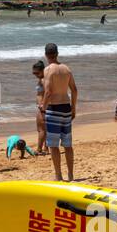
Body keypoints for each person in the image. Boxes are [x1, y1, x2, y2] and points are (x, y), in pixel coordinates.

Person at [41, 43, 78, 182]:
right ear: (57, 53)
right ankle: (71, 175)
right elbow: (74, 90)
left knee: (53, 145)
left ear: (46, 55)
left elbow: (48, 91)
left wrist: (43, 107)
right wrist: (73, 107)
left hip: (54, 109)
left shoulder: (48, 70)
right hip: (66, 108)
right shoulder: (66, 69)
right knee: (67, 144)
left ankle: (58, 175)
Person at [32, 60, 47, 152]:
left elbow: (47, 93)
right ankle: (46, 147)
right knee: (45, 129)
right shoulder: (44, 79)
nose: (35, 75)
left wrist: (42, 106)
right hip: (44, 106)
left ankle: (39, 149)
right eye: (33, 73)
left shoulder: (43, 80)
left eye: (36, 73)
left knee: (41, 129)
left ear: (42, 70)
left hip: (42, 107)